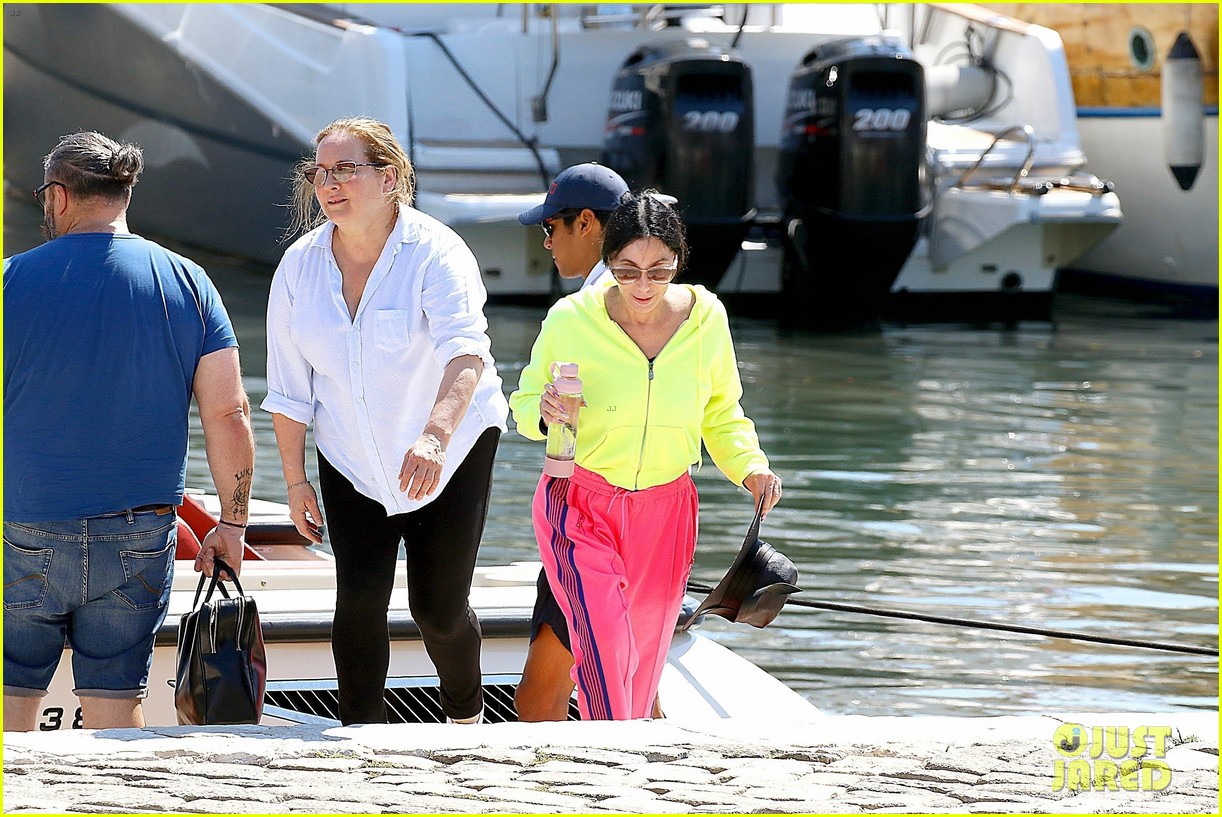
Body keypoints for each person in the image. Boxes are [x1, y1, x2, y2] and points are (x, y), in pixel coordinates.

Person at [3, 131, 255, 731]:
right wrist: (233, 522)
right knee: (118, 704)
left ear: (58, 196)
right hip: (138, 530)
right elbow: (229, 413)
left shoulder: (10, 279)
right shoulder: (188, 281)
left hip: (22, 523)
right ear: (124, 192)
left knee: (10, 700)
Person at [263, 116, 509, 725]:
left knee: (438, 608)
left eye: (346, 169)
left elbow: (466, 352)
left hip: (450, 448)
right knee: (359, 600)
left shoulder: (437, 251)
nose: (329, 184)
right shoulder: (298, 267)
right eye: (321, 172)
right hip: (350, 454)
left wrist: (434, 436)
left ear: (390, 177)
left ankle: (464, 725)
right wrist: (295, 484)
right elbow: (291, 391)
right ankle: (361, 743)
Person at [509, 190, 783, 720]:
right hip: (578, 504)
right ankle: (616, 766)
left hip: (666, 511)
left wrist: (751, 466)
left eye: (659, 272)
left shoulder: (707, 318)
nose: (642, 286)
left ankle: (618, 771)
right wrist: (543, 410)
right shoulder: (571, 318)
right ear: (608, 261)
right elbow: (521, 405)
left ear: (678, 263)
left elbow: (723, 413)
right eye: (627, 270)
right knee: (606, 646)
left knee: (645, 659)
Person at [513, 162, 627, 721]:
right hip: (650, 510)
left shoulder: (581, 310)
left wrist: (540, 413)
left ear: (586, 223)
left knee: (541, 690)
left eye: (550, 229)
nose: (548, 243)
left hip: (584, 515)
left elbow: (527, 407)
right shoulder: (670, 303)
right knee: (631, 672)